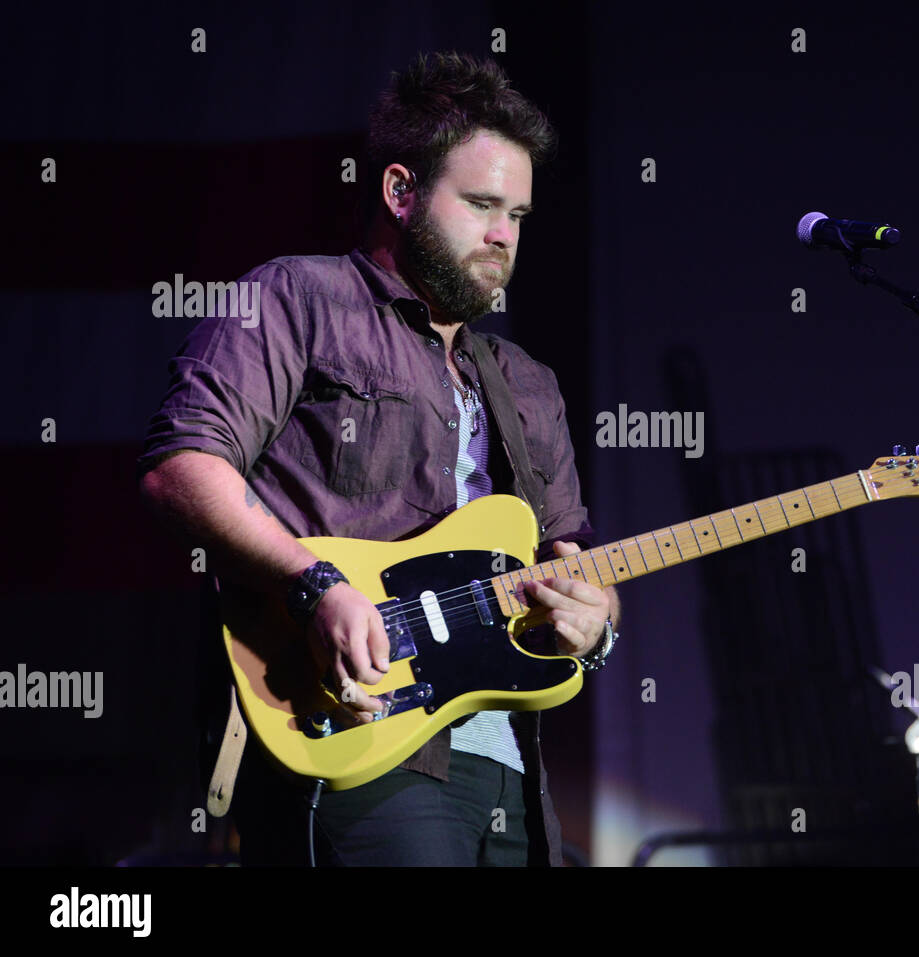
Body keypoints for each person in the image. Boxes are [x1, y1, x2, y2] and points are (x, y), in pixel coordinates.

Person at [136, 51, 619, 866]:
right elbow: (182, 464)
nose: (504, 234)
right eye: (481, 204)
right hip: (360, 743)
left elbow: (567, 558)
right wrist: (315, 584)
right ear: (400, 192)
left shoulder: (528, 383)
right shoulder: (299, 298)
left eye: (520, 215)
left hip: (515, 777)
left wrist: (596, 621)